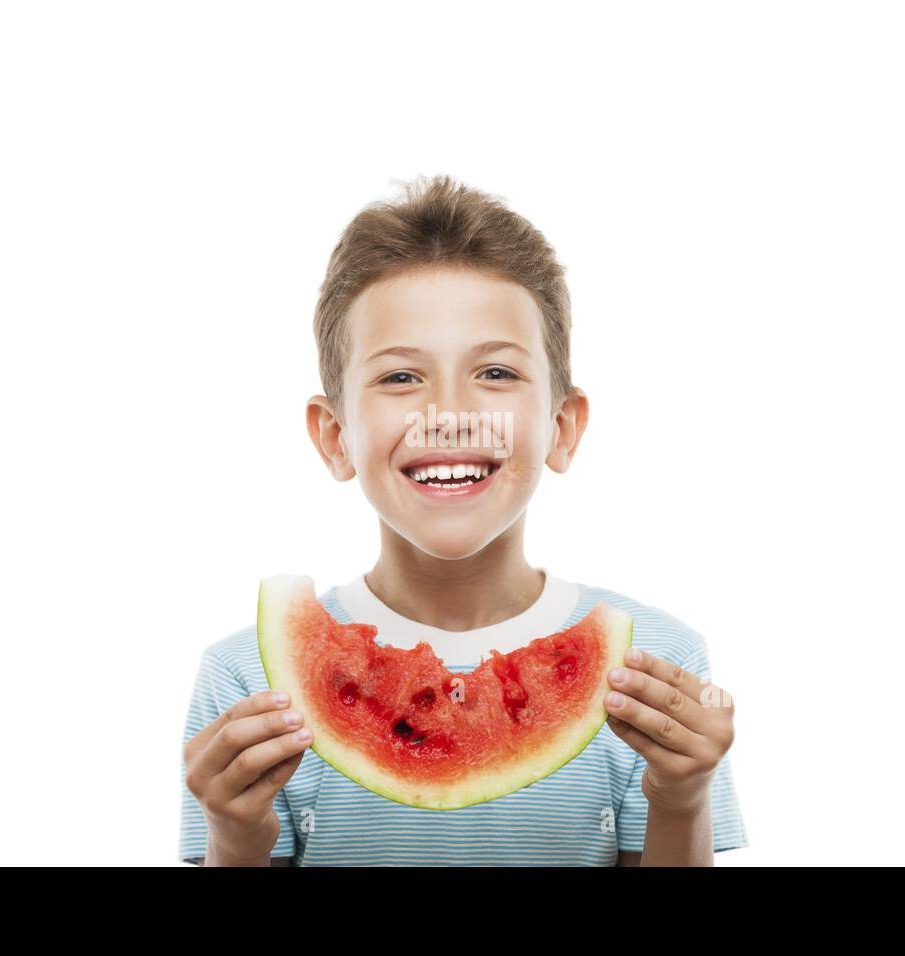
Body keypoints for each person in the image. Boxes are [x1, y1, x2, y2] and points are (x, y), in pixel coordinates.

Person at [179, 174, 748, 866]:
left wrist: (681, 800)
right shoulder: (248, 678)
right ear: (334, 437)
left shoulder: (651, 668)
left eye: (497, 374)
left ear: (563, 429)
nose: (448, 415)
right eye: (400, 378)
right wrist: (235, 839)